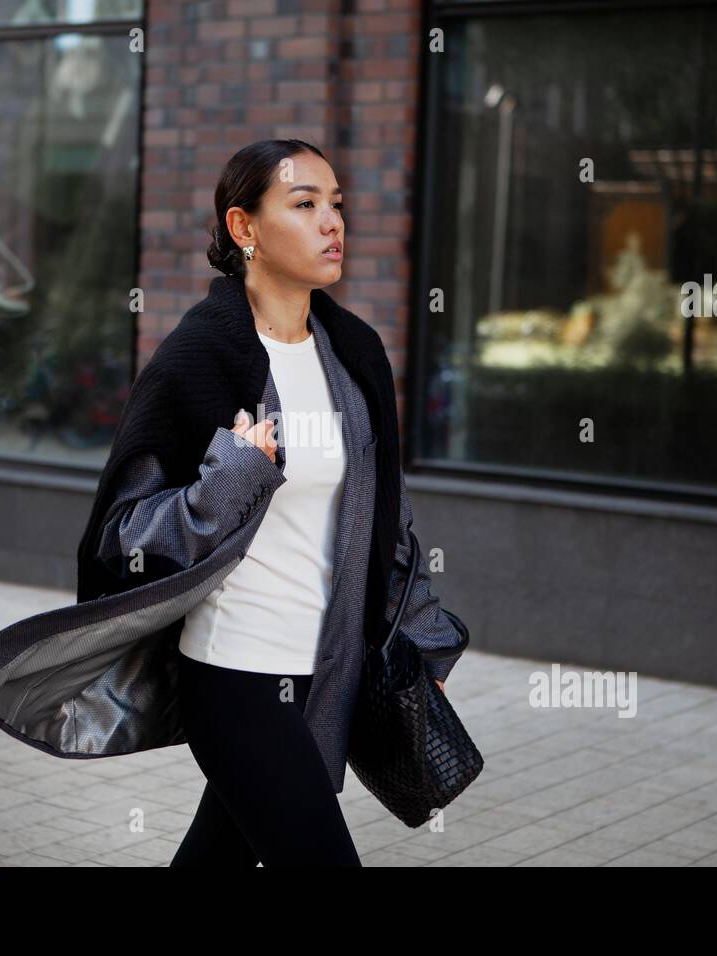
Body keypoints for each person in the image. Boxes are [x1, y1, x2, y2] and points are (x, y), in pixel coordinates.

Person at [86, 140, 462, 866]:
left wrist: (423, 634)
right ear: (244, 227)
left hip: (327, 670)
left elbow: (389, 517)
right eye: (304, 203)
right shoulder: (198, 359)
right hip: (235, 672)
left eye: (336, 204)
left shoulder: (353, 352)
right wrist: (228, 479)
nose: (332, 222)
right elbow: (124, 535)